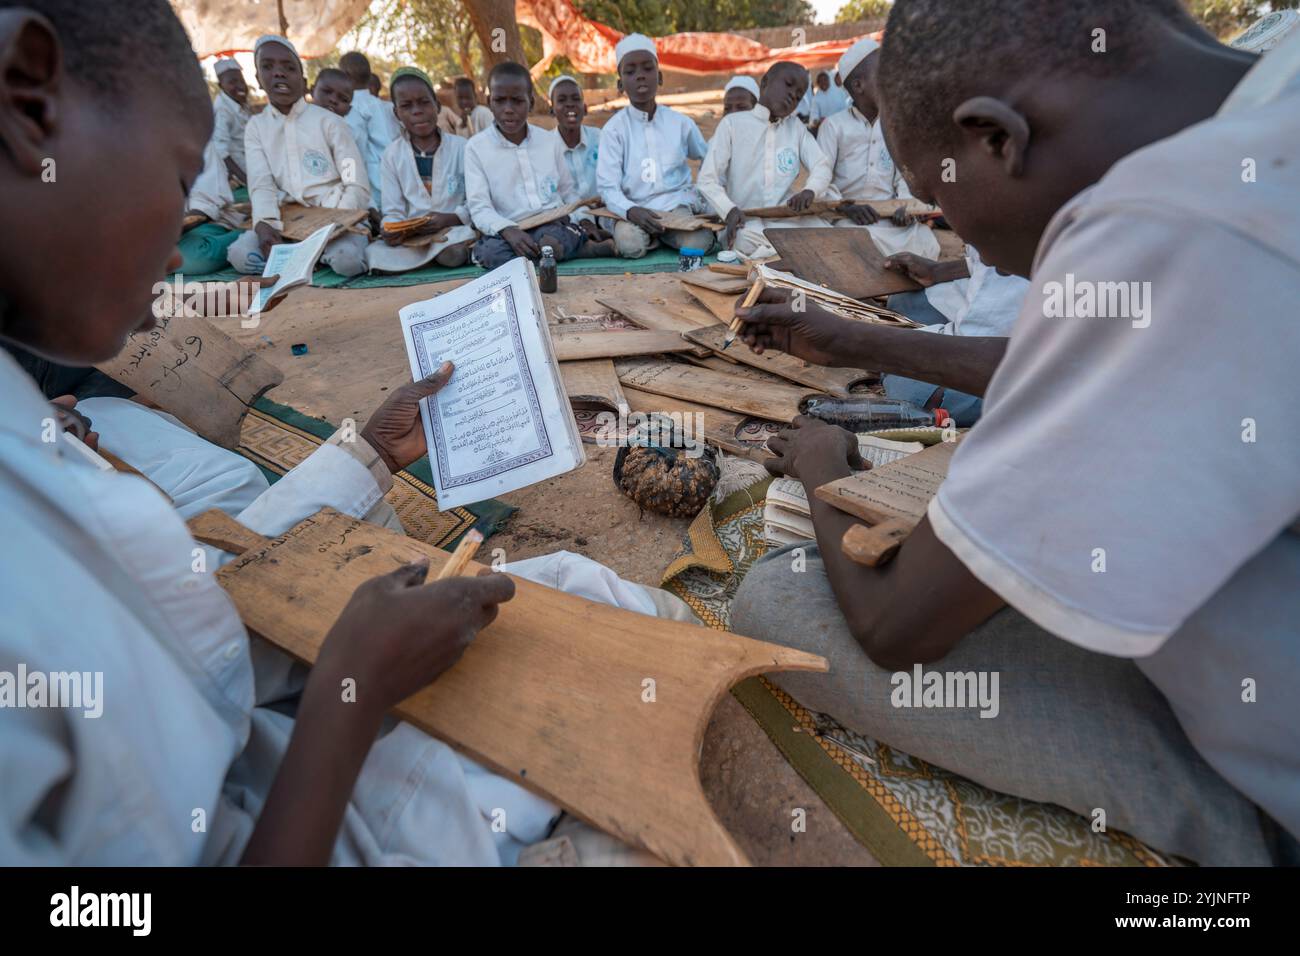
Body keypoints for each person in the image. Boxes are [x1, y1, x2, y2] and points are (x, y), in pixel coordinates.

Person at [0, 0, 682, 867]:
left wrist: (369, 454)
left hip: (266, 727)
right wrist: (351, 695)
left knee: (596, 596)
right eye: (179, 183)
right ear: (28, 103)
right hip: (296, 808)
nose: (177, 249)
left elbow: (191, 621)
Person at [729, 0, 1300, 866]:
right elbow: (1106, 363)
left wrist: (822, 468)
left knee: (780, 596)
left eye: (938, 197)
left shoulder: (1171, 228)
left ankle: (1239, 824)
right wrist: (853, 338)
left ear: (995, 137)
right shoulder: (1266, 97)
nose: (965, 243)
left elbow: (898, 627)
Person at [226, 36, 370, 278]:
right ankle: (307, 258)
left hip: (335, 218)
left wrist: (335, 222)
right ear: (258, 80)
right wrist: (264, 224)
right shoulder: (256, 127)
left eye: (289, 68)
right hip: (288, 220)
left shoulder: (330, 122)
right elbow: (261, 184)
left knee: (348, 261)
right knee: (241, 256)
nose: (279, 74)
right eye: (268, 67)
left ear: (303, 82)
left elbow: (356, 184)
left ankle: (303, 258)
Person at [465, 62, 612, 270]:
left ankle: (557, 250)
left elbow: (567, 193)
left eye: (517, 101)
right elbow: (480, 208)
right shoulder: (476, 148)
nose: (508, 110)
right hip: (508, 230)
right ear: (490, 102)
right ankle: (576, 250)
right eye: (500, 101)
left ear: (531, 103)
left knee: (551, 242)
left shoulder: (548, 141)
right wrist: (508, 230)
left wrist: (583, 220)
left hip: (552, 225)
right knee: (490, 253)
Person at [595, 34, 716, 259]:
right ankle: (658, 238)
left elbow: (708, 158)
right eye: (630, 72)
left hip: (674, 207)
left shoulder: (680, 123)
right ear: (620, 84)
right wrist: (631, 211)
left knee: (700, 241)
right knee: (629, 243)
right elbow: (607, 188)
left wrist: (702, 195)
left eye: (647, 69)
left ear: (659, 77)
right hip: (634, 209)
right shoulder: (613, 130)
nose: (640, 76)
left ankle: (663, 236)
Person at [697, 61, 833, 260]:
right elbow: (707, 180)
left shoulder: (795, 128)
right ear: (765, 82)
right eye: (788, 85)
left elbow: (822, 164)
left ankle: (779, 255)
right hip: (747, 222)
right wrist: (729, 210)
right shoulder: (732, 125)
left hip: (786, 219)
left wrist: (810, 190)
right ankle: (794, 254)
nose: (791, 96)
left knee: (828, 234)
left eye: (798, 96)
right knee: (743, 240)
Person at [818, 37, 940, 258]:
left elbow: (903, 178)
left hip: (888, 218)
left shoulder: (896, 126)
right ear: (858, 86)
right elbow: (821, 180)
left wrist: (905, 207)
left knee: (925, 242)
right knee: (848, 244)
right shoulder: (834, 127)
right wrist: (845, 207)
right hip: (847, 219)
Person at [367, 67, 476, 273]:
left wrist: (451, 218)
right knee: (373, 255)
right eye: (407, 106)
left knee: (452, 251)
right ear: (396, 113)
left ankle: (432, 258)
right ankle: (428, 257)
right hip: (413, 237)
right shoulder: (392, 154)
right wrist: (391, 228)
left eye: (424, 102)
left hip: (453, 228)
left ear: (437, 105)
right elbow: (392, 210)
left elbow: (476, 201)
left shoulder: (463, 147)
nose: (417, 111)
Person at [337, 52, 400, 208]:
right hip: (397, 175)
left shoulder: (351, 109)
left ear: (345, 75)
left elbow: (354, 153)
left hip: (371, 183)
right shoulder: (385, 106)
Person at [177, 137, 247, 274]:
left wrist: (163, 233)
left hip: (198, 227)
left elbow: (204, 206)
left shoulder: (195, 142)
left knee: (193, 258)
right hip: (154, 238)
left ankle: (251, 234)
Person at [211, 57, 251, 187]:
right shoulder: (222, 110)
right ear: (221, 85)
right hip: (241, 166)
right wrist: (246, 179)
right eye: (233, 82)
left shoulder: (238, 103)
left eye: (241, 80)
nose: (240, 85)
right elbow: (220, 151)